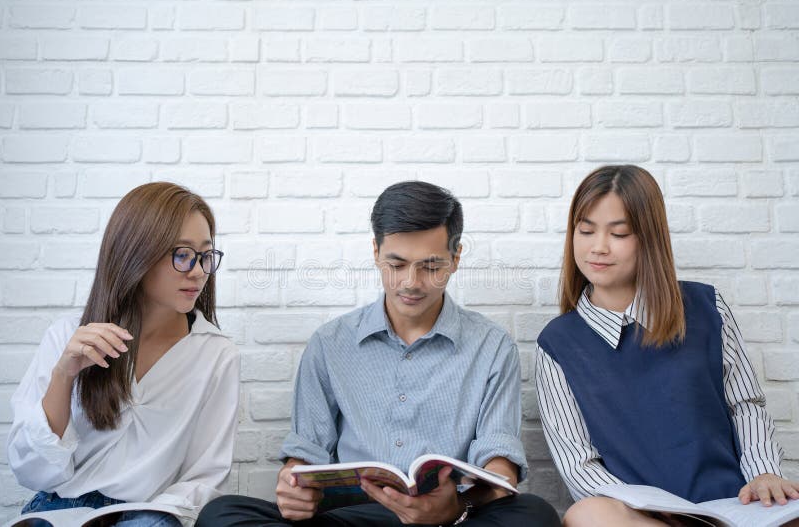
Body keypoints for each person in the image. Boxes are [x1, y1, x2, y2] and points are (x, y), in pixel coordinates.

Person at [198, 181, 559, 526]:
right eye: (396, 264)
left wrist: (455, 505)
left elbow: (500, 468)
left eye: (431, 266)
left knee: (534, 515)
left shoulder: (492, 345)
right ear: (375, 252)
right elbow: (305, 456)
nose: (411, 283)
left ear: (456, 257)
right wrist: (293, 487)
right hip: (351, 513)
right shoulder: (330, 343)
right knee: (222, 515)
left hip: (449, 515)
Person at [534, 165, 799, 526]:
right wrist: (649, 510)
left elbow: (745, 404)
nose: (598, 247)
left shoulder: (706, 307)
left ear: (649, 237)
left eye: (620, 233)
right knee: (587, 514)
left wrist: (764, 473)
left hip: (735, 503)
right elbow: (579, 465)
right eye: (585, 231)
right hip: (647, 518)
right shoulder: (557, 344)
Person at [7, 182, 240, 527]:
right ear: (137, 254)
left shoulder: (216, 354)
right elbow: (33, 472)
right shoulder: (68, 336)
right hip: (60, 509)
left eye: (205, 256)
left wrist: (152, 516)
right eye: (182, 254)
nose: (198, 271)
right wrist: (63, 375)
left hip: (151, 515)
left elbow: (204, 477)